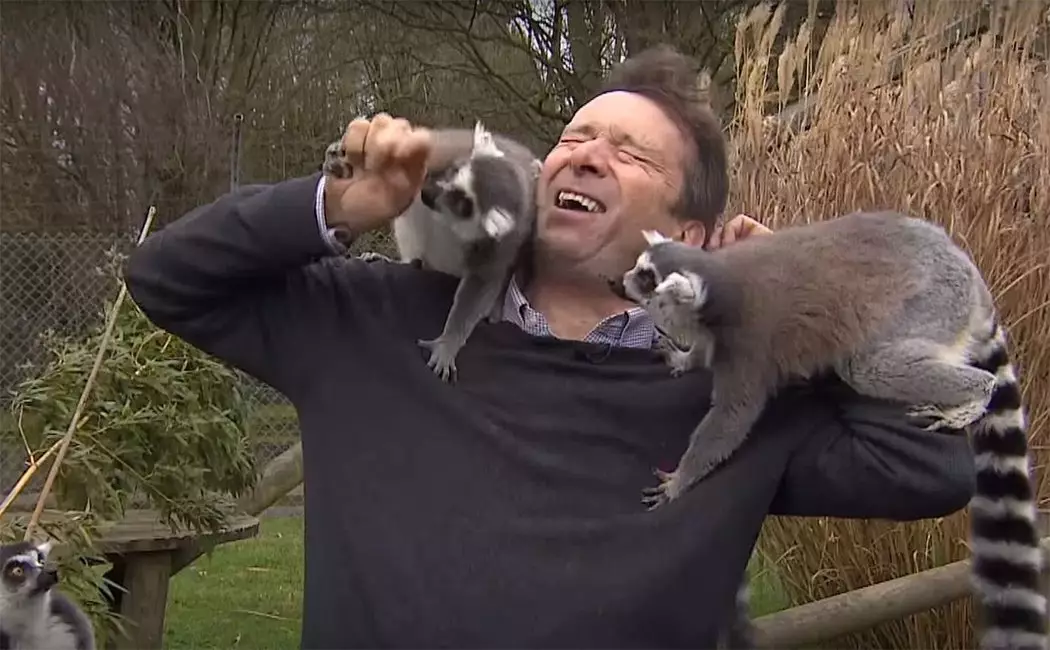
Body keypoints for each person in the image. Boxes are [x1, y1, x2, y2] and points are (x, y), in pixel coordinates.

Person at [124, 45, 975, 649]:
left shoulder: (733, 390)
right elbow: (170, 277)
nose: (588, 156)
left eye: (631, 154)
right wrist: (346, 203)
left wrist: (802, 310)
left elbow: (929, 470)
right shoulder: (374, 320)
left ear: (692, 233)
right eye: (574, 139)